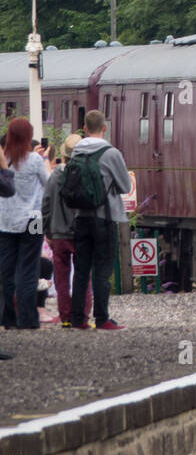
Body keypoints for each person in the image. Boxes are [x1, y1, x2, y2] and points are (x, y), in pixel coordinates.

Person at [69, 109, 131, 332]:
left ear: (84, 128)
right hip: (104, 217)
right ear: (104, 127)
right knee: (103, 270)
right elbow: (125, 186)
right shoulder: (111, 153)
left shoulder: (75, 151)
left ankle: (78, 319)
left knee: (82, 270)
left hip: (80, 218)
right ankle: (102, 318)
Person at [0, 117, 50, 329]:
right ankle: (28, 318)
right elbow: (48, 184)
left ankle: (8, 318)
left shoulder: (4, 158)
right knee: (29, 268)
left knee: (7, 270)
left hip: (5, 221)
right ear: (29, 137)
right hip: (34, 219)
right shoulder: (35, 160)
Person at [42, 132, 93, 327]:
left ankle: (65, 317)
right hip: (81, 233)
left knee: (61, 278)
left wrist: (47, 231)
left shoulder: (55, 175)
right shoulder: (86, 174)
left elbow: (45, 204)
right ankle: (83, 317)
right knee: (83, 276)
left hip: (58, 234)